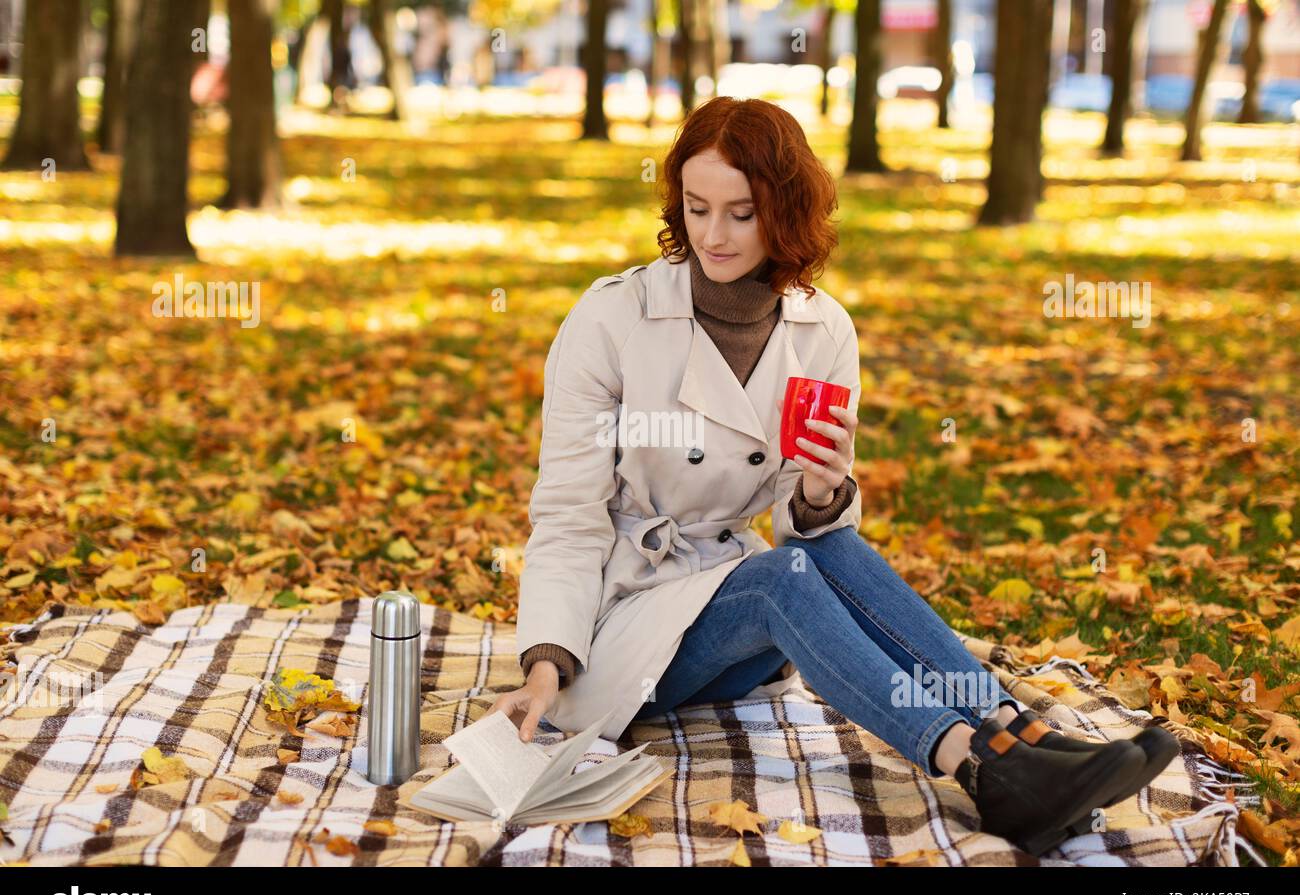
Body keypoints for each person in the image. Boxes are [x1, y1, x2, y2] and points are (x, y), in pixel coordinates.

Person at [487, 96, 1177, 856]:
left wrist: (821, 492)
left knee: (819, 550)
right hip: (624, 631)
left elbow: (802, 532)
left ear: (784, 211)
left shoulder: (824, 328)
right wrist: (548, 663)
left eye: (741, 213)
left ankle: (1018, 733)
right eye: (695, 208)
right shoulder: (610, 320)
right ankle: (974, 766)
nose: (711, 236)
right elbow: (567, 515)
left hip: (731, 614)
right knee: (781, 577)